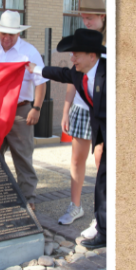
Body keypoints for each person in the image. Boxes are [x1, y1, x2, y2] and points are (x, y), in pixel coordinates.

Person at [32, 29, 107, 249]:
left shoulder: (110, 73)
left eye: (76, 54)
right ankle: (103, 232)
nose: (72, 58)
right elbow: (61, 73)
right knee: (103, 180)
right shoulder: (78, 73)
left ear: (92, 56)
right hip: (101, 130)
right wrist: (35, 69)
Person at [0, 10, 47, 212]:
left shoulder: (30, 52)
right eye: (3, 33)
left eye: (11, 34)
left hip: (20, 111)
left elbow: (41, 82)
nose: (6, 38)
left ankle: (28, 198)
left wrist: (36, 108)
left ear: (19, 34)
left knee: (23, 156)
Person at [58, 0, 106, 227]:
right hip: (80, 106)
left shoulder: (110, 45)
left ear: (102, 17)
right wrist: (66, 110)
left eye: (90, 18)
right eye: (83, 18)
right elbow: (72, 77)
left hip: (102, 112)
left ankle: (103, 213)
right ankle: (75, 206)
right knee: (77, 160)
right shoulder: (82, 40)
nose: (85, 21)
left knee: (101, 162)